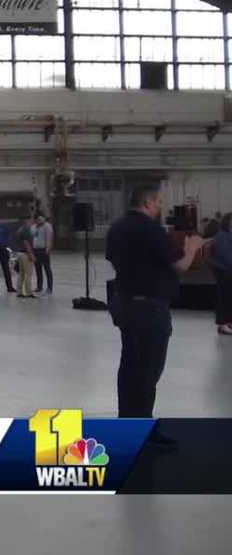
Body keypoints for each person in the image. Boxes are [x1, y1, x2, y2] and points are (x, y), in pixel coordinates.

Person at [106, 185, 203, 447]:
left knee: (130, 367)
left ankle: (126, 423)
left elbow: (114, 260)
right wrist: (192, 247)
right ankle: (142, 431)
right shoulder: (151, 230)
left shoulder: (116, 228)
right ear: (147, 202)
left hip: (125, 304)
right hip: (149, 309)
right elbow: (180, 265)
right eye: (159, 202)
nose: (161, 207)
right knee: (148, 370)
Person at [212, 214, 232, 336]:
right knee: (225, 297)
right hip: (224, 271)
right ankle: (223, 324)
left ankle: (229, 321)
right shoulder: (221, 236)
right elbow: (227, 258)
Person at [14, 216, 37, 298]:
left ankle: (19, 292)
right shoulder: (27, 230)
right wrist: (31, 254)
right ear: (27, 220)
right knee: (28, 274)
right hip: (26, 254)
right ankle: (29, 292)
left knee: (21, 273)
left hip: (19, 253)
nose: (33, 221)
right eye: (31, 220)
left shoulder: (19, 230)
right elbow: (26, 242)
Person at [32, 214, 54, 294]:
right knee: (38, 269)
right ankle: (39, 286)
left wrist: (47, 249)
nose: (40, 220)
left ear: (44, 218)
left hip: (44, 250)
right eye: (38, 219)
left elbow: (49, 238)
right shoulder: (33, 227)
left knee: (47, 269)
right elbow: (32, 237)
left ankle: (49, 287)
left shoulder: (47, 226)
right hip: (35, 250)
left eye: (41, 218)